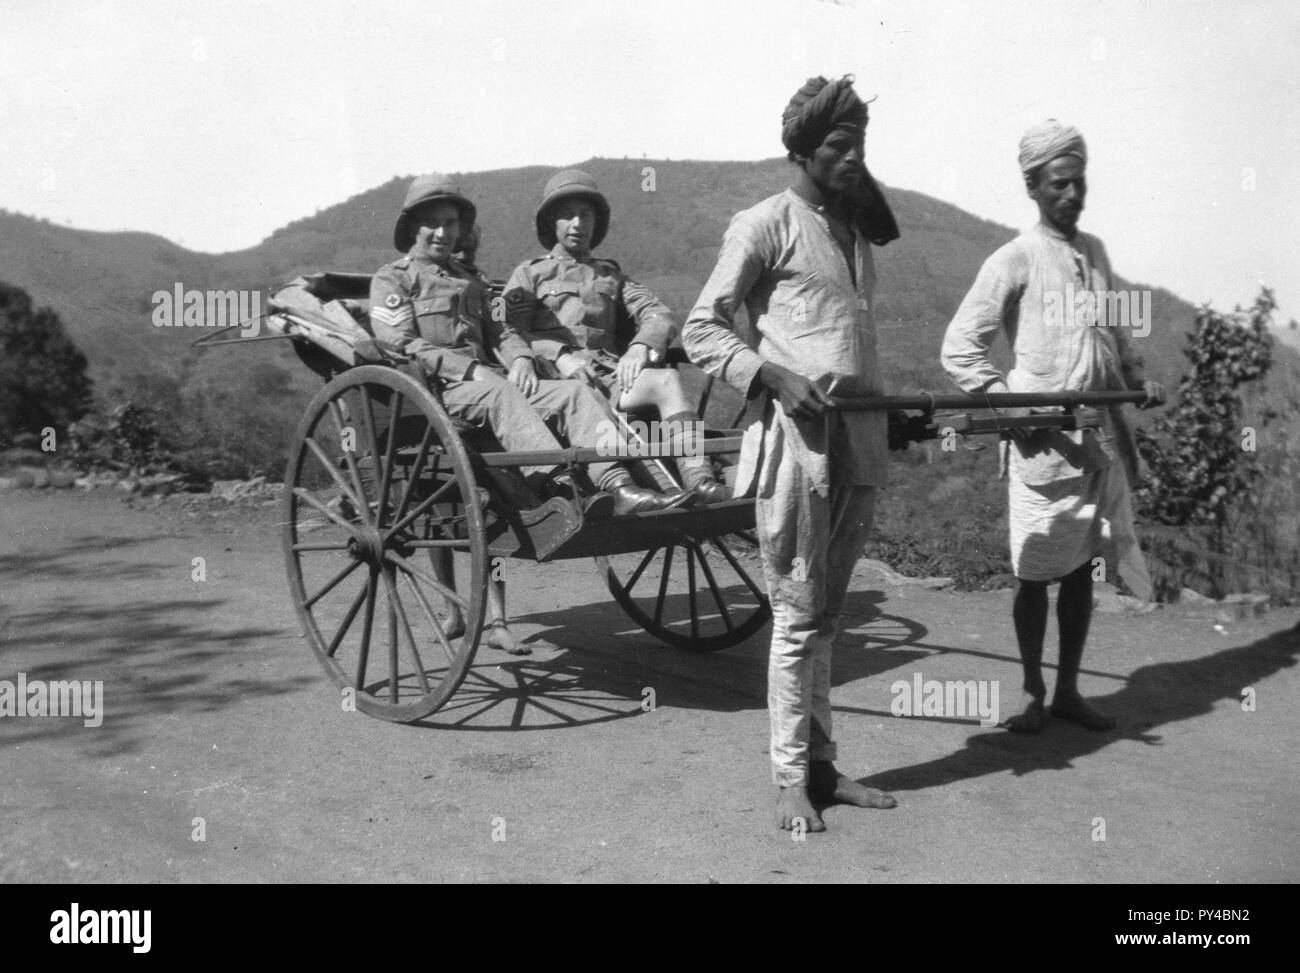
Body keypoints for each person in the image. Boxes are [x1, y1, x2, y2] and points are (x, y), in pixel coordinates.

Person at [682, 76, 901, 833]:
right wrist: (771, 373)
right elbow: (700, 330)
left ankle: (825, 768)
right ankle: (787, 778)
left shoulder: (856, 233)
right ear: (801, 149)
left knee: (830, 615)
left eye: (860, 145)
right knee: (798, 611)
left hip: (859, 437)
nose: (851, 158)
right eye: (838, 146)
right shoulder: (764, 223)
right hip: (796, 445)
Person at [940, 121, 1165, 733]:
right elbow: (960, 347)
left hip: (1091, 439)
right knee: (1035, 572)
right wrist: (1009, 408)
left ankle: (1067, 689)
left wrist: (1137, 380)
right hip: (1040, 447)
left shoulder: (1092, 251)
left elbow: (1116, 329)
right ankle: (1030, 691)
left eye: (1078, 181)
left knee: (1081, 570)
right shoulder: (1014, 258)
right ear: (1034, 187)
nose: (1072, 194)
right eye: (1059, 184)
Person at [370, 174, 649, 650]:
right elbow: (396, 342)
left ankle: (616, 484)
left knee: (570, 394)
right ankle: (562, 485)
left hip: (495, 387)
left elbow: (501, 331)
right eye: (432, 224)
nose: (443, 233)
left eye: (451, 224)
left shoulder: (473, 280)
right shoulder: (392, 279)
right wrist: (466, 370)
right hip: (437, 393)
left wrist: (518, 355)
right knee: (501, 395)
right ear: (413, 228)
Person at [501, 170, 729, 509]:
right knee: (586, 396)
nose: (578, 223)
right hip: (557, 384)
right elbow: (508, 333)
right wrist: (560, 354)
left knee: (666, 379)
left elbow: (657, 314)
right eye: (568, 215)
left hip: (609, 378)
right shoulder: (529, 274)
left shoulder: (611, 275)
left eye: (586, 214)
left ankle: (699, 477)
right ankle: (620, 488)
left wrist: (640, 347)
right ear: (552, 222)